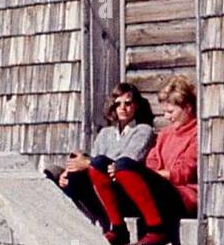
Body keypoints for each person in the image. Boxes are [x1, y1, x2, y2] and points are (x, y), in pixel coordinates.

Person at [101, 75, 199, 245]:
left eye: (171, 112)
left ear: (188, 108)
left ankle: (157, 229)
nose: (167, 117)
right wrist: (155, 174)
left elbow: (184, 172)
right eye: (165, 112)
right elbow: (151, 161)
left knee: (125, 165)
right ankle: (117, 227)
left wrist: (158, 175)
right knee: (109, 167)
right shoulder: (165, 134)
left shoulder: (196, 134)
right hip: (163, 187)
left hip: (182, 195)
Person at [50, 82, 156, 234]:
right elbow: (92, 162)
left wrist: (88, 163)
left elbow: (127, 162)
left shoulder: (143, 130)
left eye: (128, 103)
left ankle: (111, 225)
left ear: (136, 105)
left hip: (123, 187)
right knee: (68, 177)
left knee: (98, 163)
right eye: (118, 104)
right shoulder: (106, 133)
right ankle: (86, 223)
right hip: (99, 184)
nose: (123, 108)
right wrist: (71, 170)